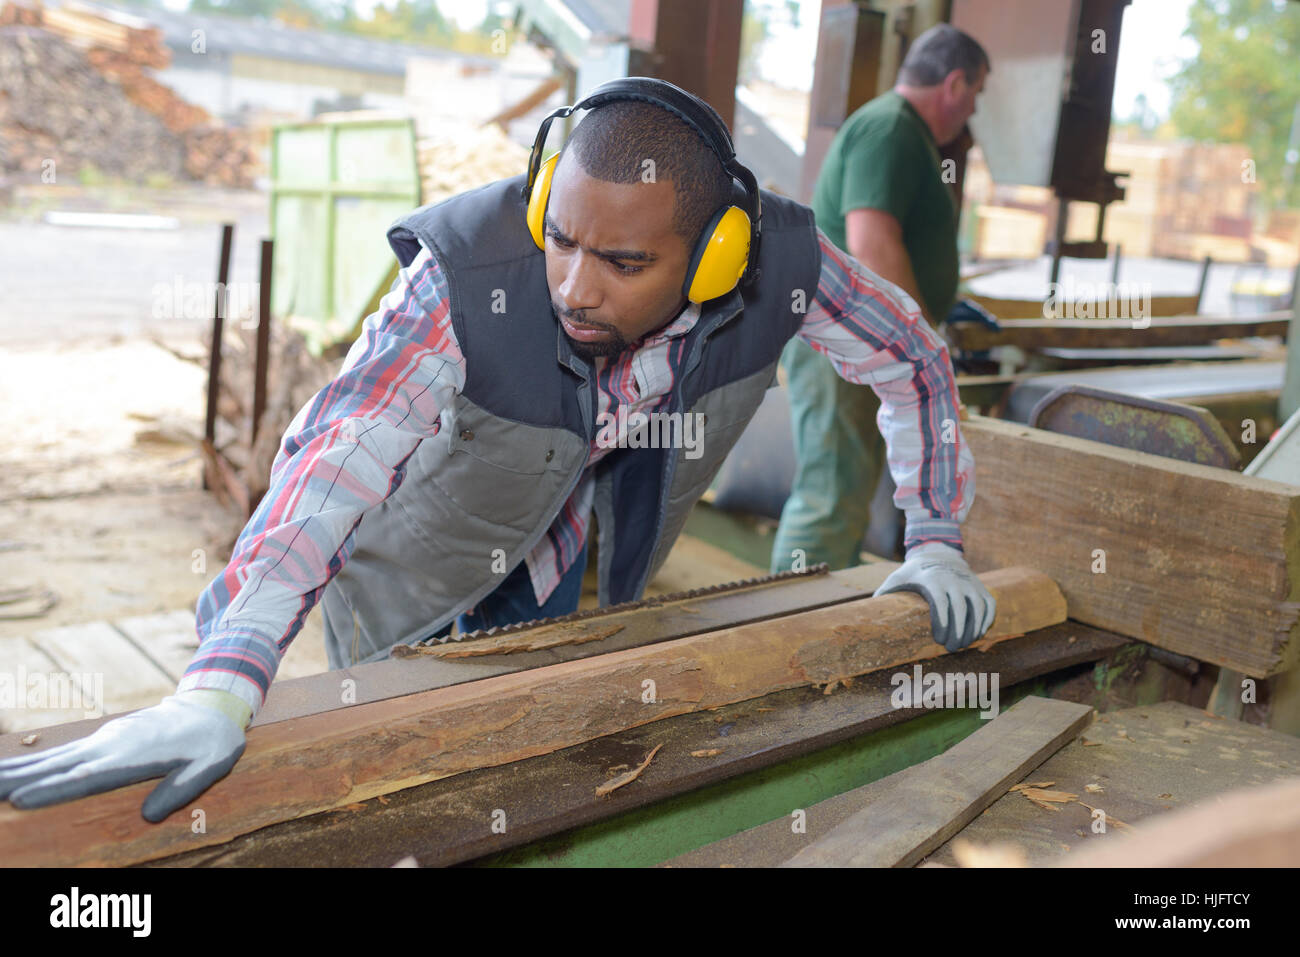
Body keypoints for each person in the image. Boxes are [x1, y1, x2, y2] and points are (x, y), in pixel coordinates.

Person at [0, 78, 994, 823]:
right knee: (397, 789)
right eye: (558, 238)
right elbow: (336, 453)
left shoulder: (781, 265)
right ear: (539, 201)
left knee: (549, 760)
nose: (571, 284)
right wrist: (222, 677)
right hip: (410, 588)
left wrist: (935, 535)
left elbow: (911, 357)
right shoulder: (465, 275)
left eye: (622, 261)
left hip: (590, 572)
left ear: (716, 253)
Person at [772, 23, 989, 573]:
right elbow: (872, 243)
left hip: (863, 345)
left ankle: (817, 620)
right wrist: (928, 344)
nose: (973, 111)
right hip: (845, 344)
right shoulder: (890, 128)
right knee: (832, 491)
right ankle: (784, 626)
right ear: (955, 84)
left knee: (848, 488)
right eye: (977, 94)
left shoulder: (904, 134)